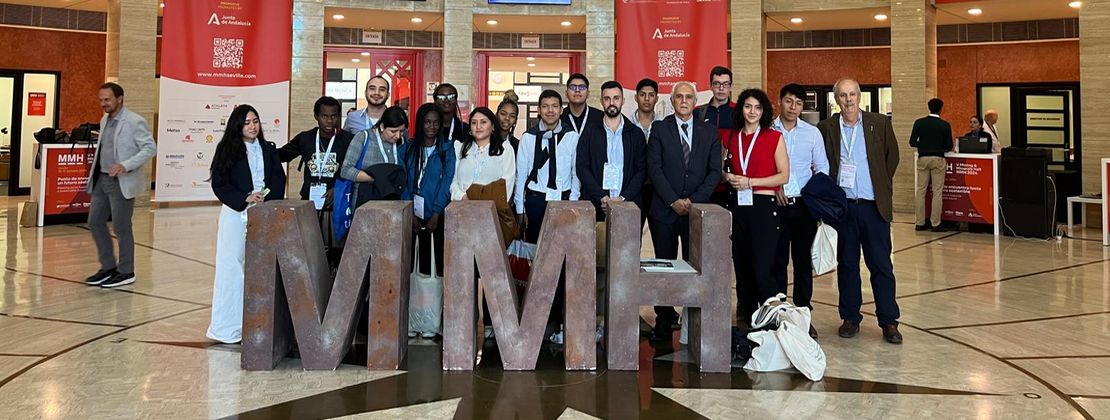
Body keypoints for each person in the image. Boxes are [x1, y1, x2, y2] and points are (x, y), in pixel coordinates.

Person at [816, 78, 902, 344]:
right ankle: (850, 317)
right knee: (848, 265)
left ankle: (889, 321)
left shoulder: (879, 123)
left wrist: (877, 185)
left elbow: (892, 158)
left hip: (873, 207)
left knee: (881, 265)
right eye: (843, 95)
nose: (848, 100)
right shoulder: (826, 128)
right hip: (845, 209)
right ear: (836, 100)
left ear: (860, 97)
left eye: (852, 94)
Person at [645, 81, 722, 341]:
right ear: (672, 100)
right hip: (665, 211)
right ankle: (664, 320)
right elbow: (654, 169)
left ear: (695, 101)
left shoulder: (709, 132)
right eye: (679, 97)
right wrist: (673, 200)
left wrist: (693, 201)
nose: (684, 101)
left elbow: (714, 172)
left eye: (689, 97)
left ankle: (693, 322)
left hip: (696, 213)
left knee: (694, 267)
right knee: (663, 268)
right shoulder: (659, 128)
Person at [207, 104, 287, 344]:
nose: (253, 127)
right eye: (247, 122)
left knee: (261, 268)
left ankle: (258, 323)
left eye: (256, 121)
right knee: (232, 268)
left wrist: (267, 198)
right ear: (237, 126)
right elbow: (219, 184)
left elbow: (278, 178)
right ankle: (228, 328)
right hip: (236, 213)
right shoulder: (227, 150)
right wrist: (244, 197)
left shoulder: (268, 149)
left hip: (263, 214)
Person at [723, 88, 790, 326]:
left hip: (763, 206)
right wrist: (728, 176)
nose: (752, 112)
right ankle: (748, 323)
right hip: (738, 207)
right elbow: (726, 165)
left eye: (758, 107)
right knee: (742, 270)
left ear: (764, 111)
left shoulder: (774, 137)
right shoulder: (732, 137)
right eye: (748, 106)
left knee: (762, 269)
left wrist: (751, 182)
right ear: (741, 109)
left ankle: (773, 322)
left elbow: (784, 176)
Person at [83, 82, 157, 288]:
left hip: (120, 182)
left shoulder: (134, 121)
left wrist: (126, 165)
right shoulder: (105, 119)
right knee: (95, 221)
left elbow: (150, 148)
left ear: (120, 99)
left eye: (107, 99)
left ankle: (126, 271)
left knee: (121, 227)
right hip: (101, 179)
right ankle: (108, 267)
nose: (103, 103)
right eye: (100, 100)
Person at [771, 83, 829, 339]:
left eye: (798, 103)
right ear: (779, 102)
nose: (793, 107)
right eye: (788, 101)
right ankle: (780, 315)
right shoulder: (768, 130)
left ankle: (804, 314)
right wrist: (774, 187)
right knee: (777, 262)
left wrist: (812, 196)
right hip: (775, 205)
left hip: (803, 207)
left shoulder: (812, 133)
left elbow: (823, 168)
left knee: (803, 263)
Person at [278, 96, 354, 269]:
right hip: (309, 204)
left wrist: (338, 189)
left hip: (338, 206)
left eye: (334, 116)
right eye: (324, 116)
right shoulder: (305, 138)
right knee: (310, 251)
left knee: (338, 253)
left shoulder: (348, 140)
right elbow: (280, 155)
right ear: (316, 116)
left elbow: (356, 170)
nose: (329, 120)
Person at [400, 103, 456, 339]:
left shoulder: (447, 149)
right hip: (411, 216)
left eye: (435, 122)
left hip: (436, 218)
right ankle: (412, 320)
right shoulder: (408, 149)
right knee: (409, 268)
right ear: (419, 123)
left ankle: (431, 321)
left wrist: (436, 212)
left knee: (434, 269)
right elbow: (402, 180)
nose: (431, 126)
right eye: (427, 122)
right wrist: (408, 210)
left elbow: (447, 183)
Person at [516, 89, 581, 243]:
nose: (550, 111)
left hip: (563, 199)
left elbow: (576, 173)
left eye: (554, 106)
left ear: (561, 110)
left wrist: (573, 202)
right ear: (539, 110)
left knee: (561, 247)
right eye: (545, 106)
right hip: (535, 201)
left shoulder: (571, 136)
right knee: (535, 248)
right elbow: (521, 175)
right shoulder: (528, 137)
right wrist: (520, 208)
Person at [576, 81, 647, 221]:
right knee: (597, 243)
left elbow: (642, 171)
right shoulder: (589, 132)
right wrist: (602, 198)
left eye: (616, 98)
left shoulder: (636, 133)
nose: (612, 102)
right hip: (596, 204)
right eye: (607, 98)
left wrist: (622, 198)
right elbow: (582, 168)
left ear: (623, 100)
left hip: (628, 205)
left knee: (626, 243)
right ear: (601, 101)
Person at [341, 106, 408, 210]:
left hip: (393, 203)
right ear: (382, 126)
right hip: (365, 201)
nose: (398, 136)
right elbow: (346, 170)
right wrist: (375, 179)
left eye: (402, 131)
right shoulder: (363, 137)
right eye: (393, 131)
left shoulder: (402, 143)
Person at [909, 98, 953, 233]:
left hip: (923, 158)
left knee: (921, 191)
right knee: (937, 192)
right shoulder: (945, 125)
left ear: (928, 107)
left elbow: (912, 142)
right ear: (941, 108)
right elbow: (949, 146)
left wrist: (923, 145)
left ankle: (920, 223)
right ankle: (935, 223)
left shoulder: (919, 123)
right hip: (938, 159)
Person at [696, 66, 735, 209]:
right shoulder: (698, 113)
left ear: (731, 87)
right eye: (717, 84)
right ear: (710, 86)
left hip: (729, 183)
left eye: (725, 84)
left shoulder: (739, 112)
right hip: (702, 182)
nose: (721, 88)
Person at [630, 78, 664, 231]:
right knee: (632, 237)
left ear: (656, 98)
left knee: (660, 236)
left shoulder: (664, 125)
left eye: (651, 95)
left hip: (657, 188)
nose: (647, 99)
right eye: (642, 94)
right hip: (633, 187)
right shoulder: (626, 124)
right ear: (636, 97)